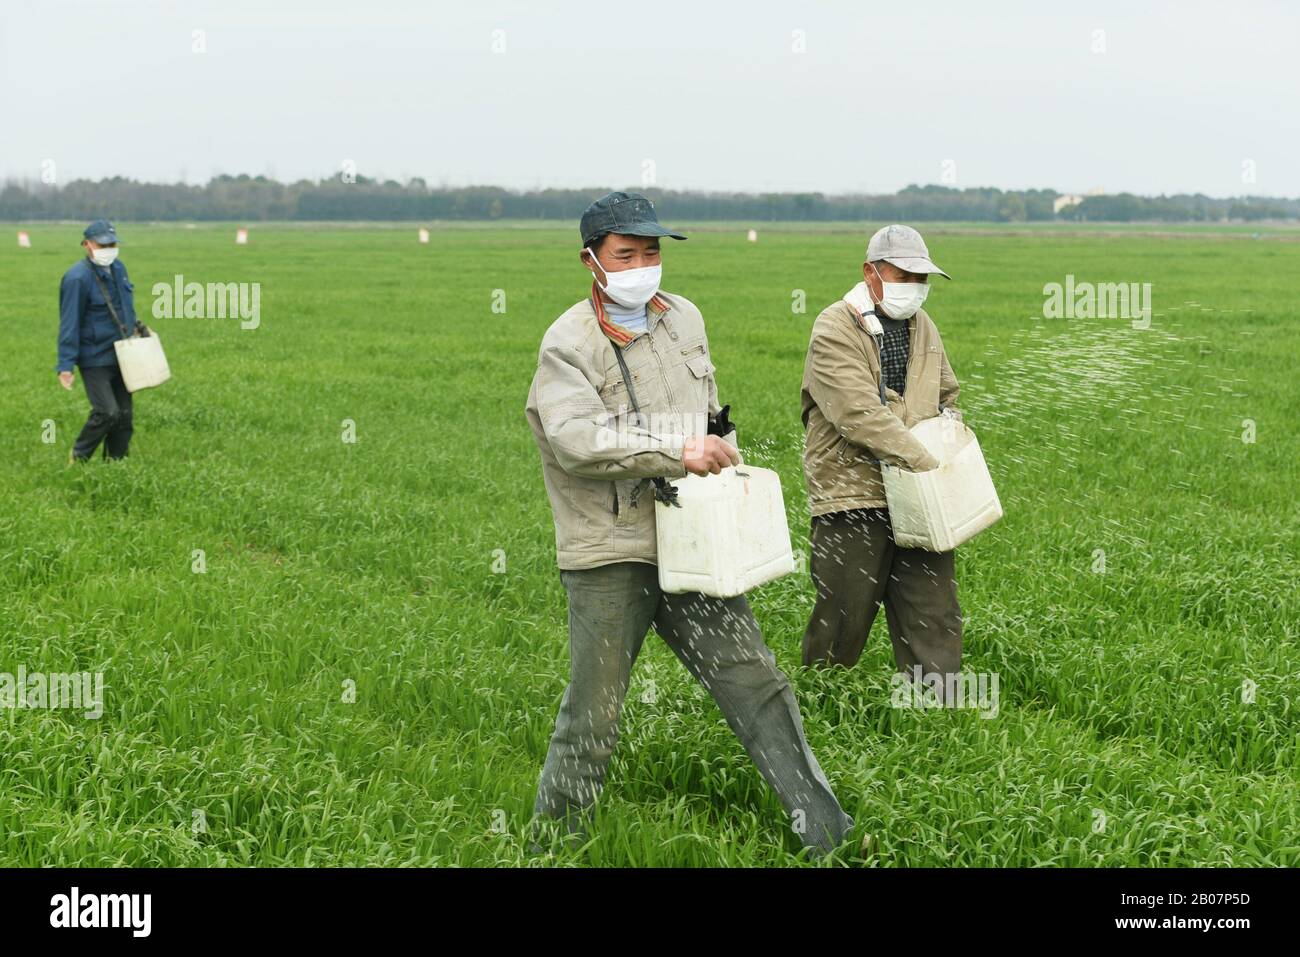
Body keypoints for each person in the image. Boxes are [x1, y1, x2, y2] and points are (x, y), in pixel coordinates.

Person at [525, 191, 854, 856]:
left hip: (693, 540)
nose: (643, 265)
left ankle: (829, 836)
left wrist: (719, 451)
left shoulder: (684, 320)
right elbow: (576, 441)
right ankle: (551, 847)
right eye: (627, 254)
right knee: (594, 715)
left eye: (651, 252)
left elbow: (707, 410)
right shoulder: (567, 344)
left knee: (757, 685)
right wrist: (678, 450)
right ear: (591, 260)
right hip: (611, 551)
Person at [799, 224, 965, 690]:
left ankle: (940, 713)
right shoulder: (836, 325)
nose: (913, 288)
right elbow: (857, 414)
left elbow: (947, 391)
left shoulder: (923, 325)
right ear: (871, 273)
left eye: (921, 278)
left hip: (919, 495)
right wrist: (929, 459)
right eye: (903, 275)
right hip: (853, 493)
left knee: (934, 610)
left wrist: (951, 430)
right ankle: (822, 704)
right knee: (844, 611)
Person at [57, 219, 139, 462]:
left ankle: (116, 466)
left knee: (124, 417)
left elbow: (124, 306)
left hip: (122, 352)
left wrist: (136, 329)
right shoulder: (76, 278)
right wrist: (65, 365)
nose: (108, 249)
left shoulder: (119, 268)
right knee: (107, 412)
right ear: (87, 245)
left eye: (112, 243)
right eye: (102, 245)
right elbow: (69, 322)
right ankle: (78, 456)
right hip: (94, 356)